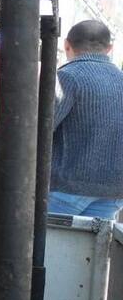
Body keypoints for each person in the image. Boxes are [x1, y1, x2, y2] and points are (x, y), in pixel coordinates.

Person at [47, 19, 123, 219]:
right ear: (109, 48)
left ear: (67, 45)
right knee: (90, 250)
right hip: (113, 192)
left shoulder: (67, 77)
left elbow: (41, 130)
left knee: (48, 248)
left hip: (66, 189)